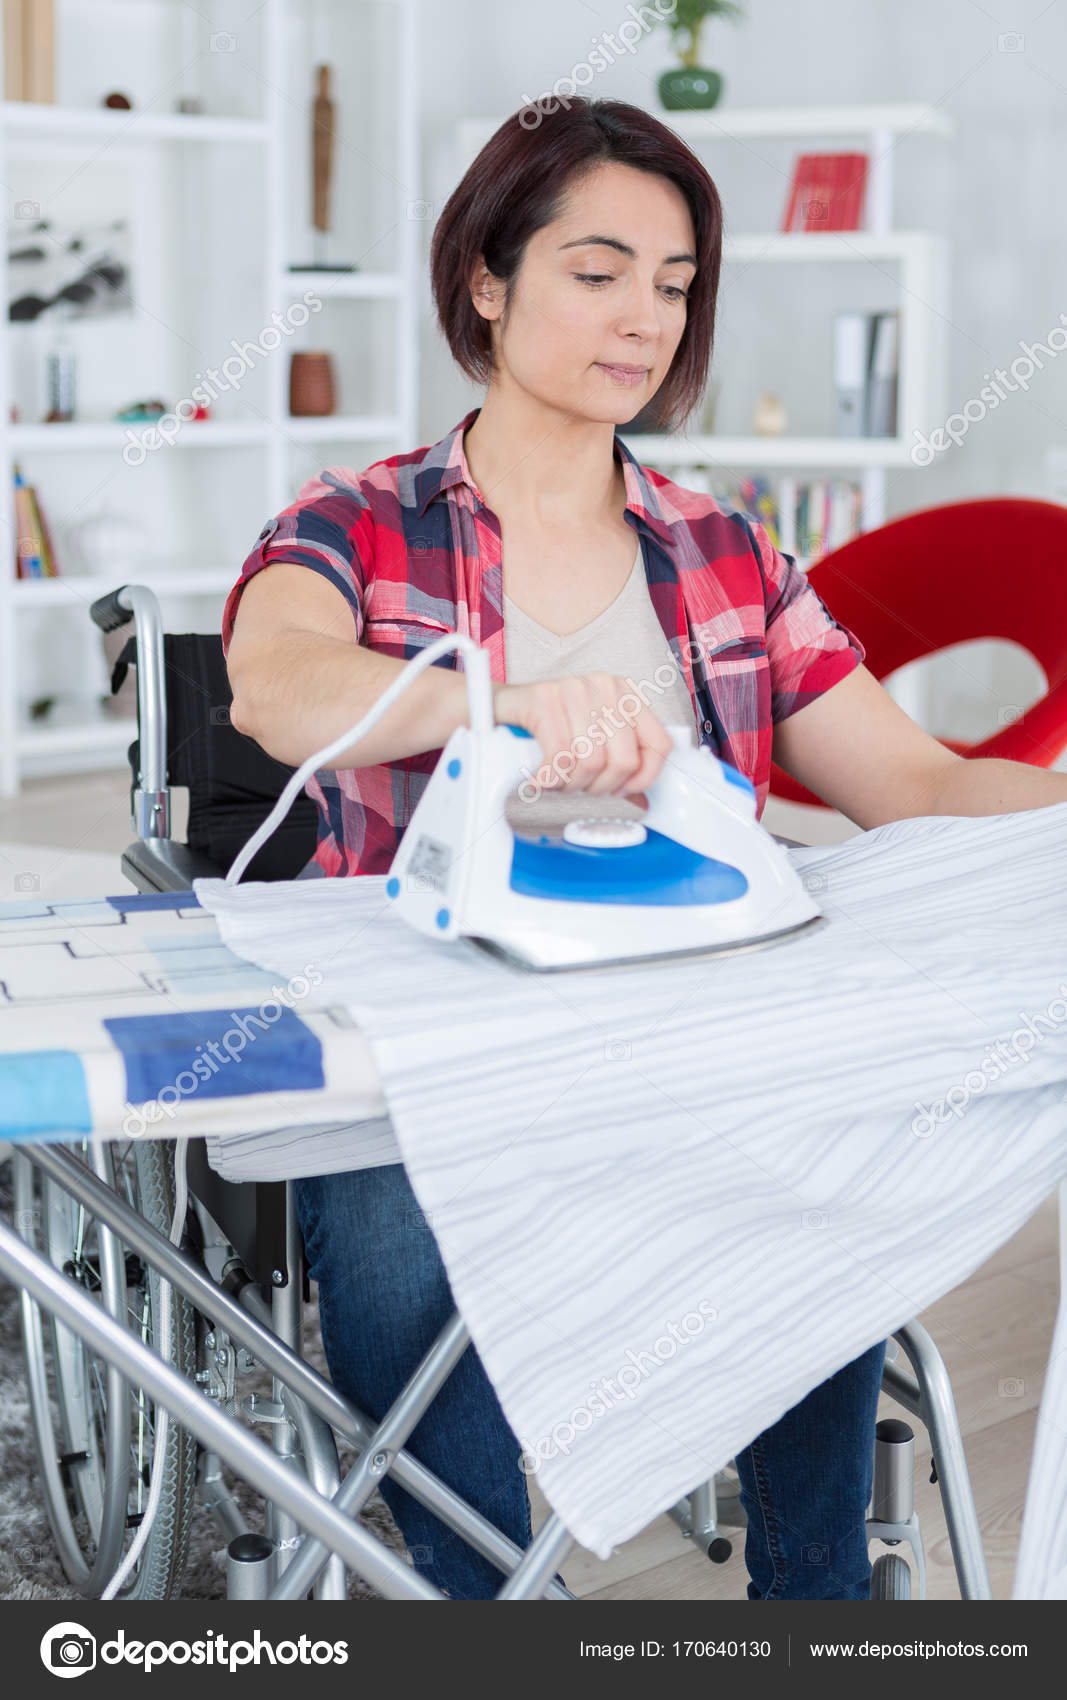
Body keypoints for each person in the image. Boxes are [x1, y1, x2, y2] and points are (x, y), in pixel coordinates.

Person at [223, 99, 1067, 1601]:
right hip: (429, 1045)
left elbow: (920, 784)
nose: (645, 322)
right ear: (487, 277)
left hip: (688, 1031)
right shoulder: (356, 524)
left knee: (824, 1178)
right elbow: (275, 689)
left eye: (674, 286)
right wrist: (501, 706)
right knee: (398, 1247)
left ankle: (813, 1605)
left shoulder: (732, 552)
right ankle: (488, 1601)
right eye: (600, 271)